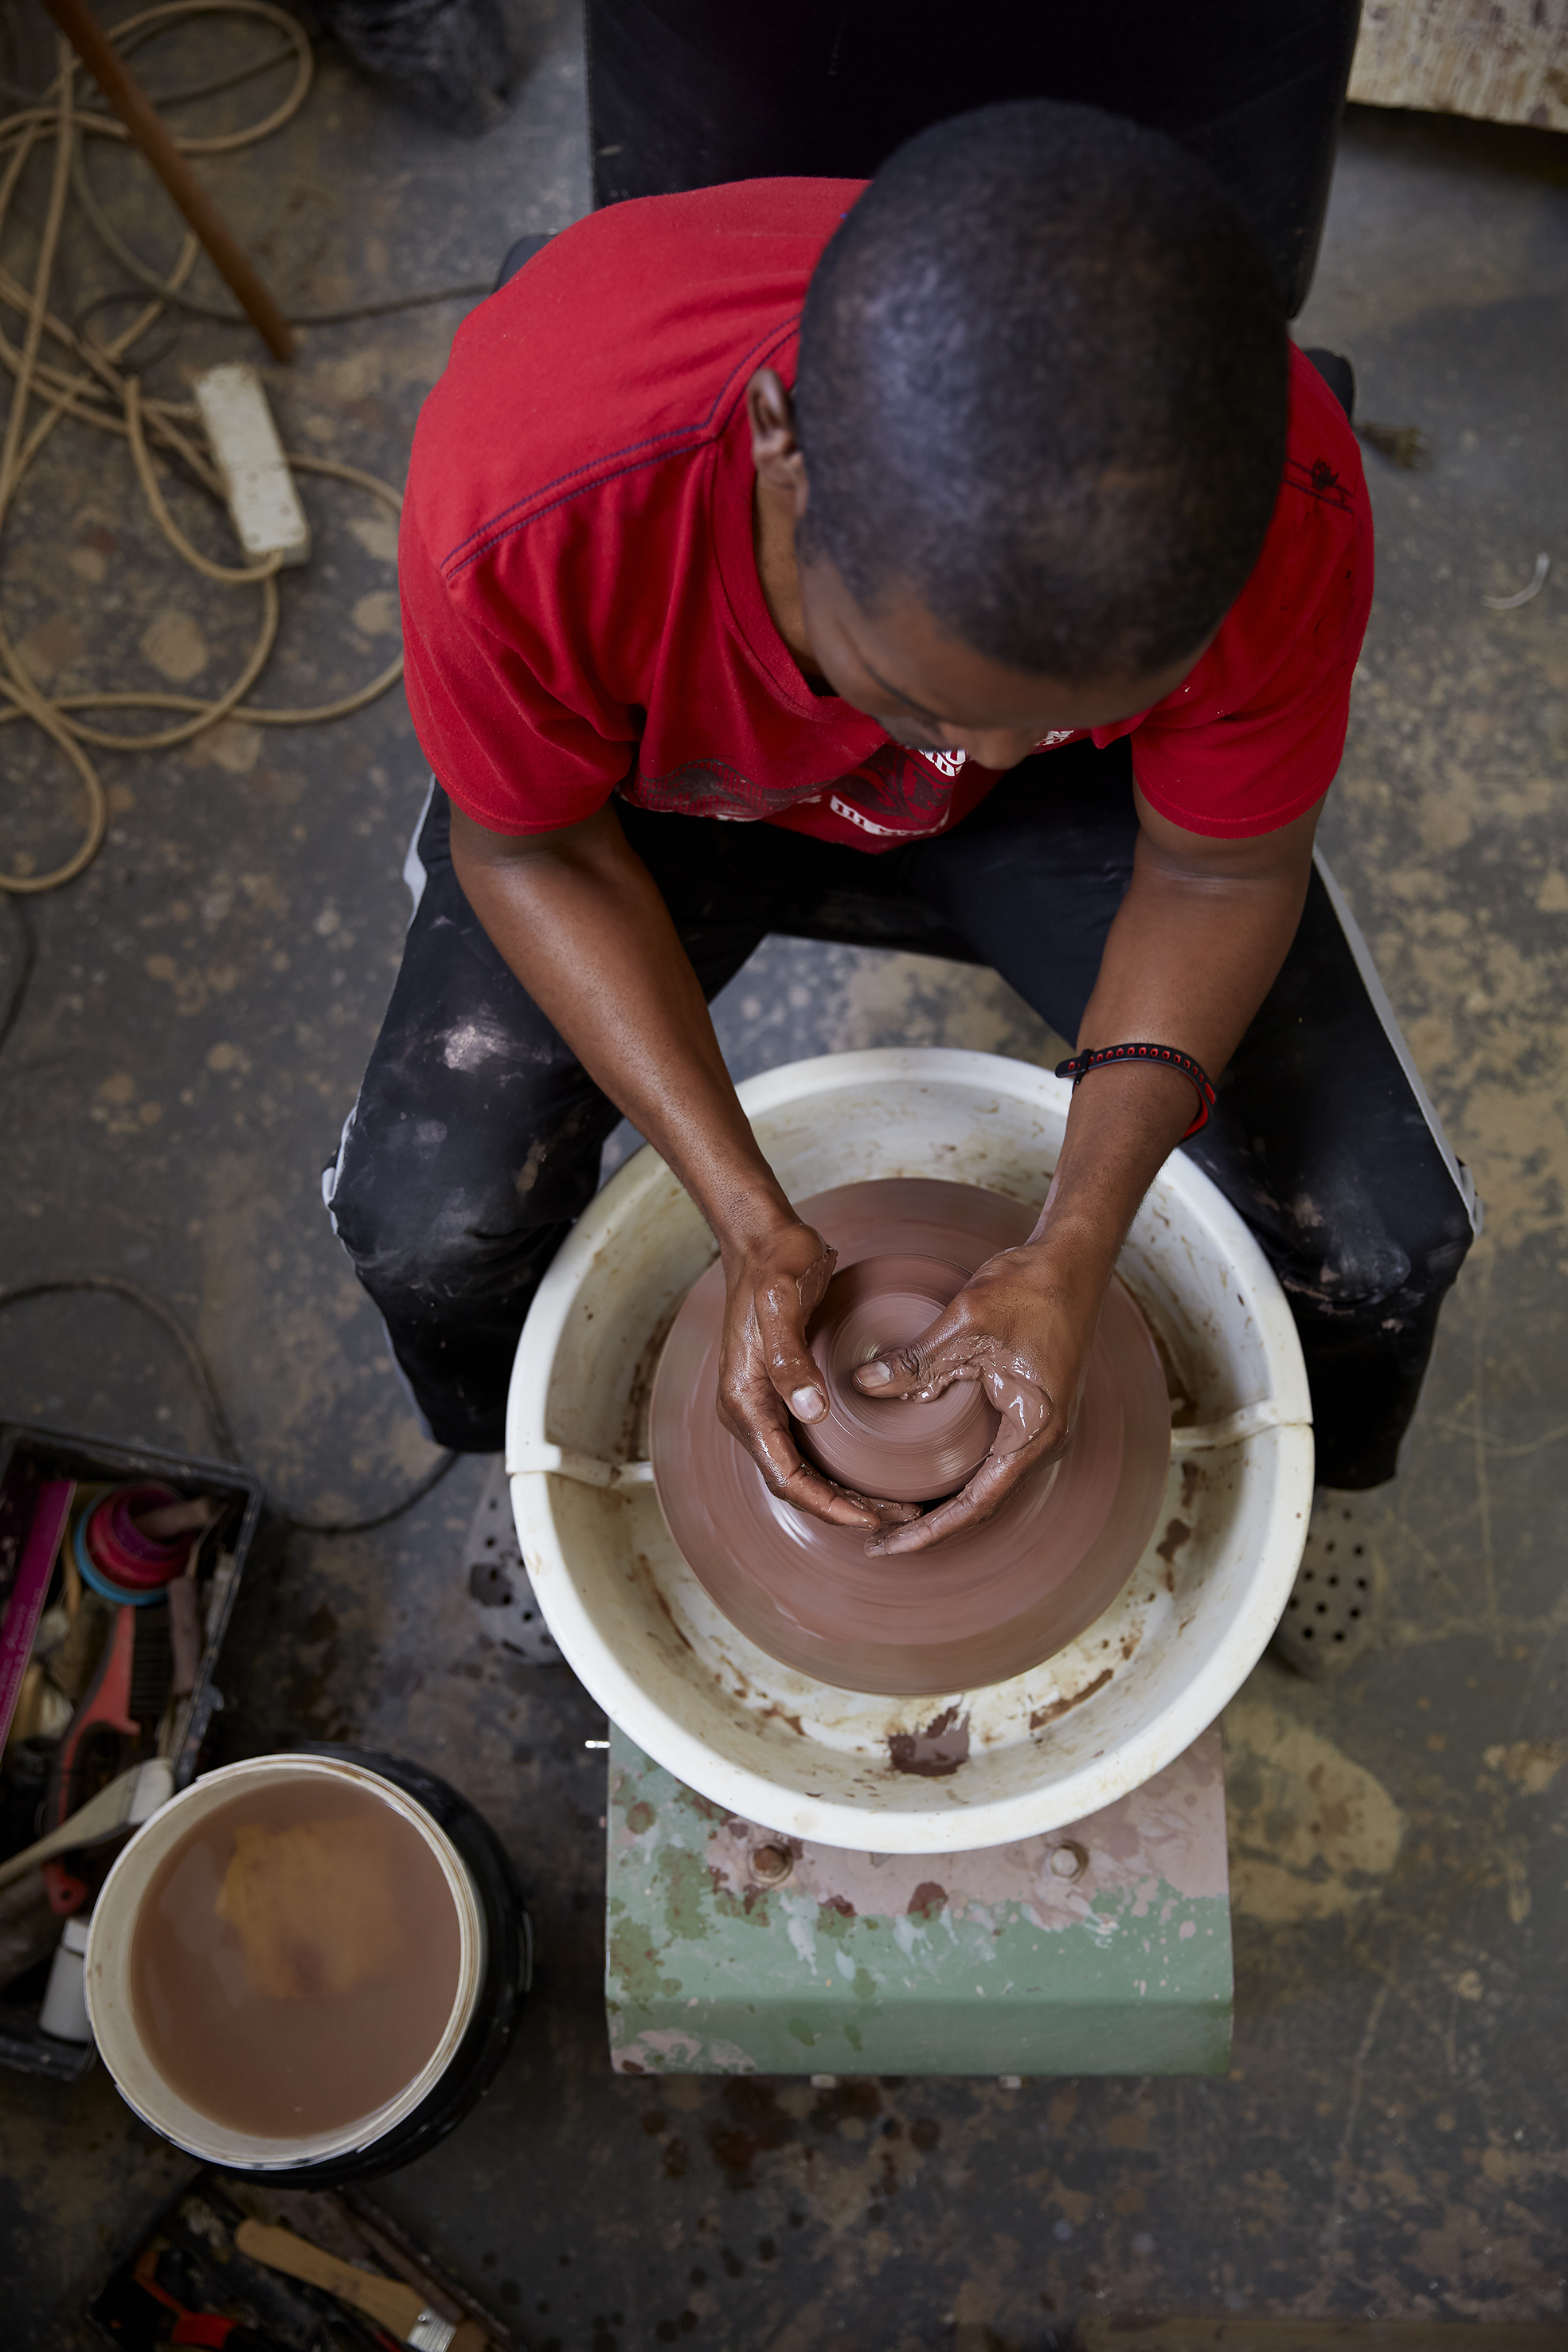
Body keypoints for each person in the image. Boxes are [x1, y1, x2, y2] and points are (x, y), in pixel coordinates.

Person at [324, 101, 1476, 1584]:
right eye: (933, 700)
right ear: (779, 449)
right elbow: (531, 849)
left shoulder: (1273, 504)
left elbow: (1216, 866)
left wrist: (1074, 1248)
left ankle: (1296, 1501)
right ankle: (545, 1482)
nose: (962, 764)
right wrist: (744, 1216)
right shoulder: (535, 500)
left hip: (1095, 807)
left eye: (1040, 711)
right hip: (662, 784)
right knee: (430, 1225)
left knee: (1379, 1246)